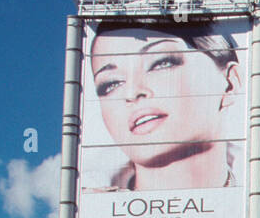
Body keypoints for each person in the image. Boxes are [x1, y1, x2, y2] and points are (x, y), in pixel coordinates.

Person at [86, 20, 243, 192]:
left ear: (230, 83)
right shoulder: (91, 209)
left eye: (161, 63)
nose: (132, 93)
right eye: (111, 84)